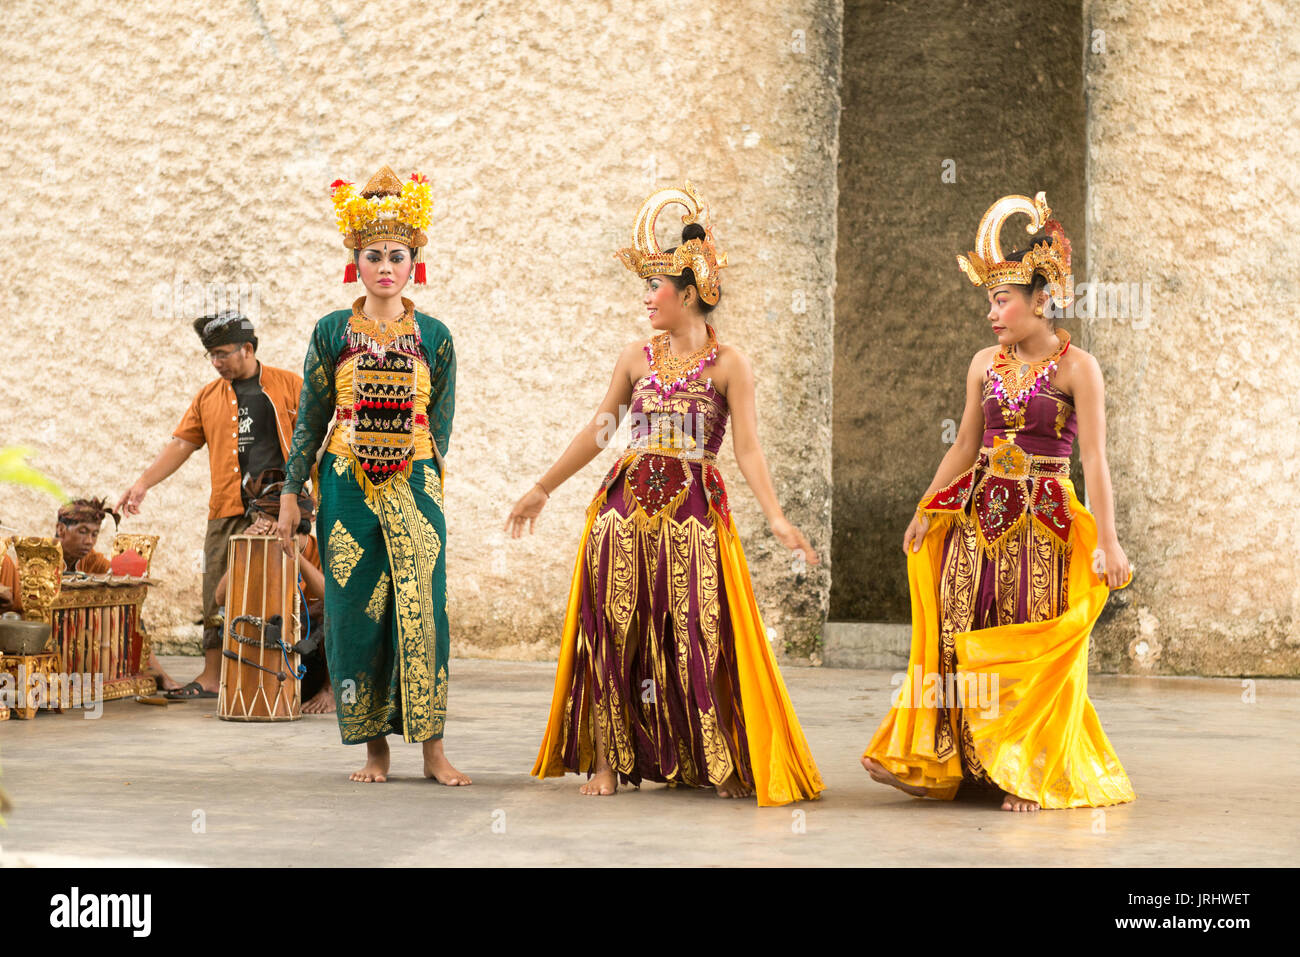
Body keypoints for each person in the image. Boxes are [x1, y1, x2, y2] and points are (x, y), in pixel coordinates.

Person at [517, 184, 824, 805]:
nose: (647, 297)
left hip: (694, 516)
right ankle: (608, 760)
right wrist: (542, 488)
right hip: (622, 512)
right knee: (612, 630)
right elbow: (601, 431)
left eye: (656, 286)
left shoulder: (729, 364)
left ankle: (718, 756)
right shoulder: (636, 356)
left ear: (688, 294)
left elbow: (748, 449)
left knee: (700, 630)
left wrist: (777, 518)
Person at [861, 191, 1136, 812]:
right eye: (989, 298)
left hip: (1044, 525)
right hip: (977, 516)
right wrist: (926, 506)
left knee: (1024, 635)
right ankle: (961, 760)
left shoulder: (1078, 369)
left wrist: (1110, 540)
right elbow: (964, 443)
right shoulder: (984, 363)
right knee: (964, 629)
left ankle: (1027, 768)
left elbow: (1094, 460)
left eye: (1002, 298)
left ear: (1042, 300)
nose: (992, 311)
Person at [277, 165, 468, 785]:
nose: (385, 266)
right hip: (343, 485)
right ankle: (374, 751)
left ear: (414, 262)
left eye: (397, 256)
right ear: (354, 262)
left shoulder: (435, 337)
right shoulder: (331, 331)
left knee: (424, 608)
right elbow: (310, 418)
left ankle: (433, 751)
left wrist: (420, 478)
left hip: (415, 484)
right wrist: (290, 490)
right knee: (354, 609)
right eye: (373, 256)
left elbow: (440, 424)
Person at [116, 312, 302, 700]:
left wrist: (303, 501)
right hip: (226, 507)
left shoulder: (288, 386)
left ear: (247, 349)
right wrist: (142, 484)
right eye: (211, 356)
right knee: (214, 591)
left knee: (278, 589)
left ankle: (276, 675)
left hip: (278, 508)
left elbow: (314, 443)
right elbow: (182, 443)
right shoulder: (207, 397)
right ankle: (213, 674)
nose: (216, 362)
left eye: (222, 353)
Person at [214, 473, 332, 713]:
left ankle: (330, 692)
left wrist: (293, 552)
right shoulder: (257, 549)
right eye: (262, 519)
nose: (263, 525)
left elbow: (332, 598)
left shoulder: (322, 550)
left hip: (314, 655)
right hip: (274, 656)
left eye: (268, 520)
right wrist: (244, 548)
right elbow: (220, 599)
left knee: (337, 616)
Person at [0, 497, 120, 614]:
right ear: (61, 529)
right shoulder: (35, 560)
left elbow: (116, 580)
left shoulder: (91, 559)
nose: (89, 541)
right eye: (83, 532)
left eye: (94, 534)